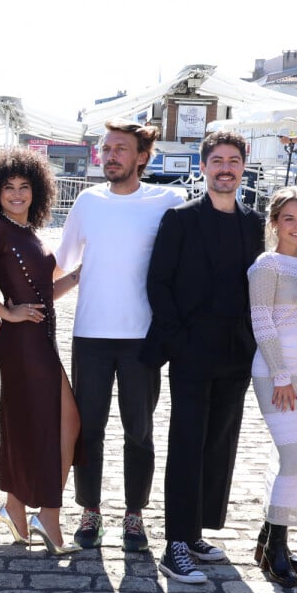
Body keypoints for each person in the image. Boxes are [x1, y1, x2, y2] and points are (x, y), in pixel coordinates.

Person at [54, 119, 184, 552]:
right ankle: (89, 511)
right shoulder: (88, 202)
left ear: (141, 156)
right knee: (88, 429)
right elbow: (61, 263)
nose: (109, 156)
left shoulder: (169, 201)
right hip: (89, 333)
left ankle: (134, 515)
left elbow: (183, 268)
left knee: (139, 431)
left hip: (142, 338)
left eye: (120, 149)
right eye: (106, 149)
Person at [141, 130, 264, 584]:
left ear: (243, 166)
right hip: (192, 348)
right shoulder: (180, 219)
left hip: (236, 349)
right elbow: (159, 283)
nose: (226, 168)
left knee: (220, 444)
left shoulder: (253, 221)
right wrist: (178, 342)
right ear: (204, 165)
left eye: (234, 160)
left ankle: (195, 533)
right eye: (218, 161)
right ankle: (175, 543)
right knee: (188, 443)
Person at [0, 147, 80, 555]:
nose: (16, 194)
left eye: (25, 187)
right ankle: (47, 515)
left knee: (45, 424)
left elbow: (42, 293)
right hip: (22, 342)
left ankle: (16, 508)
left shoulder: (27, 233)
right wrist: (5, 313)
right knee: (54, 424)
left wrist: (77, 276)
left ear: (37, 191)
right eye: (8, 187)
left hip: (39, 337)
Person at [248, 187, 297, 588]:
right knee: (293, 461)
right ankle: (276, 548)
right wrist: (281, 375)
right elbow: (262, 322)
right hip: (277, 377)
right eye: (289, 218)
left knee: (292, 459)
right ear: (275, 222)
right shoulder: (266, 265)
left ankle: (269, 541)